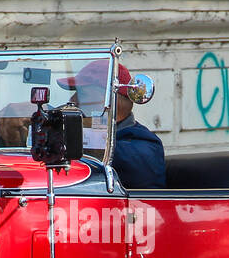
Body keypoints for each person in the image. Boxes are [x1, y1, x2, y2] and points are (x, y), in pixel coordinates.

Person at [60, 59, 165, 188]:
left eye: (82, 94)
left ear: (108, 102)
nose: (72, 100)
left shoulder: (144, 145)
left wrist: (66, 137)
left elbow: (118, 156)